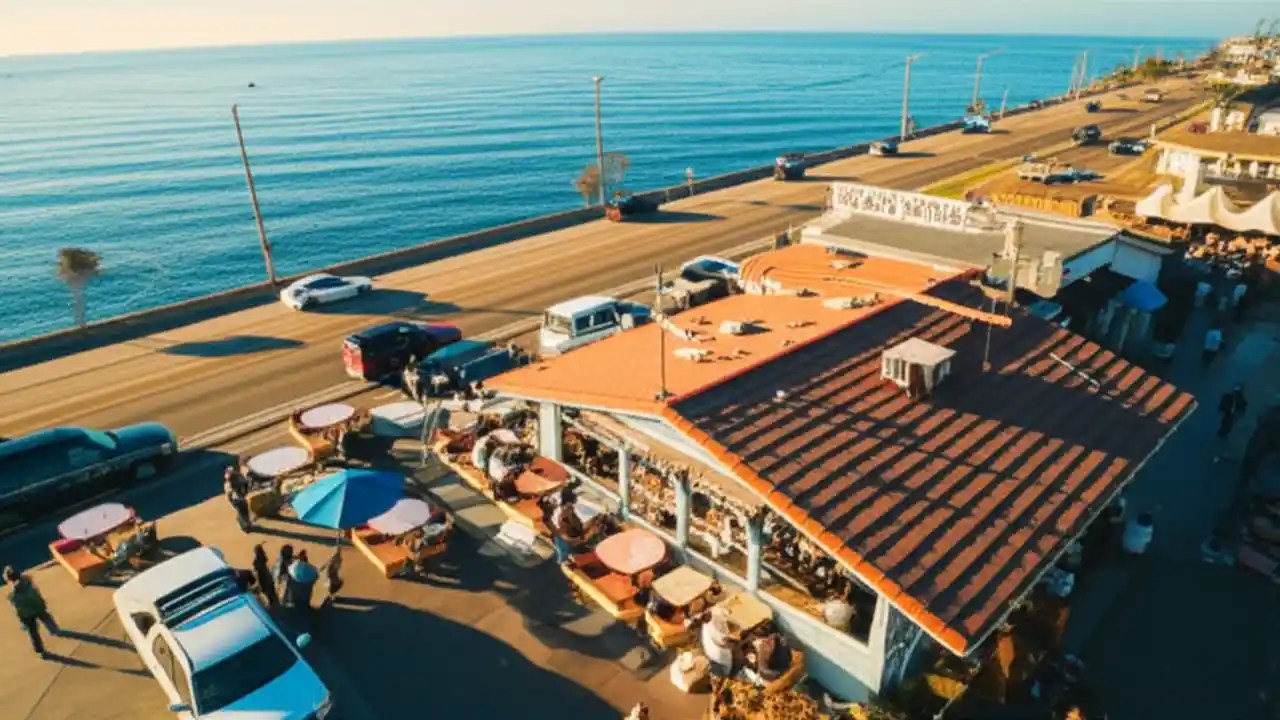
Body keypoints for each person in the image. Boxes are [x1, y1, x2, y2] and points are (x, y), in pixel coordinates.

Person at [5, 566, 59, 658]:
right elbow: (36, 593)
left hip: (27, 614)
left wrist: (22, 620)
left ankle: (40, 650)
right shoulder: (28, 582)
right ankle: (53, 629)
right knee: (45, 617)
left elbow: (18, 608)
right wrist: (41, 602)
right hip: (37, 607)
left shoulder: (14, 595)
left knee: (33, 632)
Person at [550, 491, 585, 564]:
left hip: (566, 539)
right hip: (567, 542)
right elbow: (568, 537)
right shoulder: (564, 514)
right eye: (574, 501)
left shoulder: (563, 510)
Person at [700, 606, 737, 676]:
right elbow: (729, 640)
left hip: (714, 651)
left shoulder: (712, 618)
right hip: (720, 655)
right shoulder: (717, 633)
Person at [1216, 384, 1248, 462]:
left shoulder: (1241, 401)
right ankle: (1223, 431)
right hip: (1228, 414)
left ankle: (1225, 432)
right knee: (1225, 422)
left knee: (1228, 425)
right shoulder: (1228, 397)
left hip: (1232, 416)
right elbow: (1222, 405)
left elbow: (1242, 410)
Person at [252, 544, 278, 608]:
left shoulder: (256, 562)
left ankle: (271, 603)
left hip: (262, 578)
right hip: (267, 576)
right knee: (271, 590)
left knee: (266, 591)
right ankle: (273, 601)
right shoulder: (263, 558)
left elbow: (256, 572)